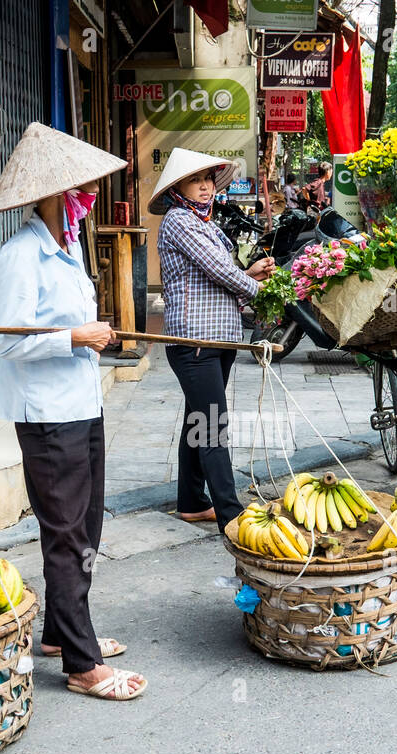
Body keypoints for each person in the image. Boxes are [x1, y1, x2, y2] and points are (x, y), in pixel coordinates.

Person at [0, 122, 147, 701]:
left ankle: (59, 631)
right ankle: (82, 662)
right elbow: (8, 341)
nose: (90, 195)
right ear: (56, 193)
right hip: (47, 414)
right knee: (65, 533)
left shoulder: (69, 247)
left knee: (88, 526)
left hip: (82, 404)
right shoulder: (21, 254)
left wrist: (83, 337)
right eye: (81, 187)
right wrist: (74, 336)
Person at [150, 148, 275, 532]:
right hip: (195, 342)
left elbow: (221, 282)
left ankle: (191, 502)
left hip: (219, 339)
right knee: (213, 425)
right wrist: (258, 288)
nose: (204, 187)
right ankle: (231, 514)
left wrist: (250, 273)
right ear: (178, 189)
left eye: (207, 179)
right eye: (195, 180)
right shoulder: (179, 221)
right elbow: (220, 271)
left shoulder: (206, 224)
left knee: (198, 419)